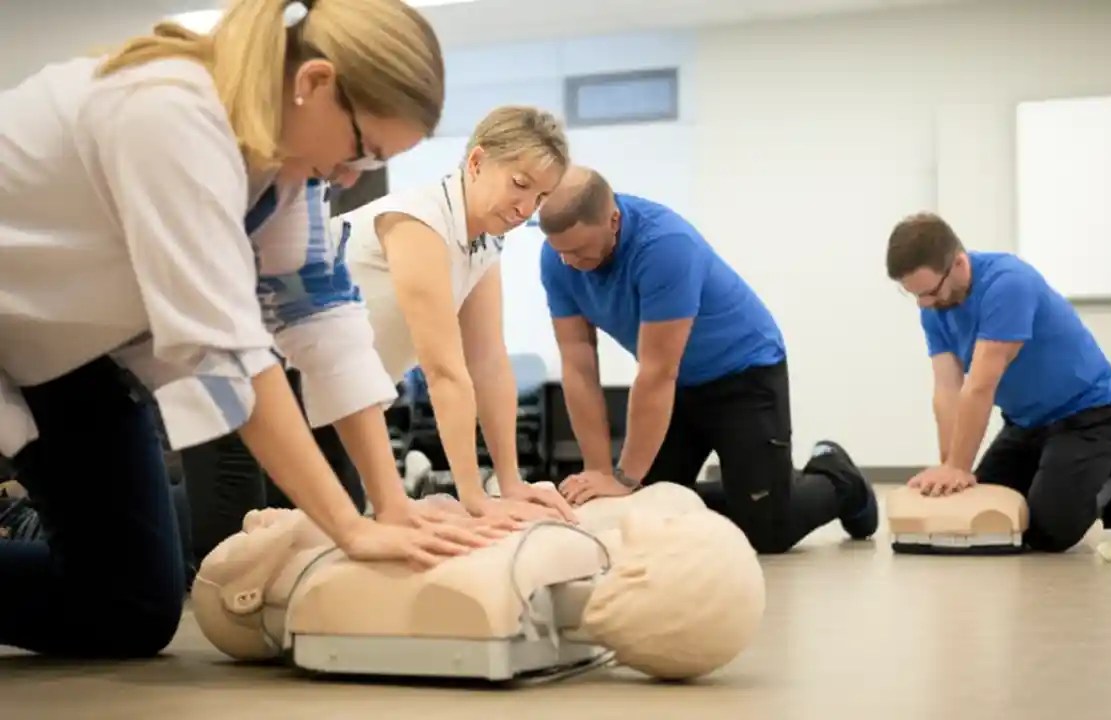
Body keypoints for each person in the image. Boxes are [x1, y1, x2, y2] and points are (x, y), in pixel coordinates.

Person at [0, 0, 495, 659]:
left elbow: (327, 323)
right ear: (314, 83)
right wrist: (349, 528)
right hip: (25, 320)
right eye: (360, 150)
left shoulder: (284, 173)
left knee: (129, 609)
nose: (350, 177)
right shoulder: (168, 110)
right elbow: (228, 352)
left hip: (64, 349)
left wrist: (391, 505)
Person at [535, 166, 878, 555]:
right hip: (680, 386)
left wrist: (624, 476)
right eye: (561, 251)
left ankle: (838, 476)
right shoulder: (558, 258)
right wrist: (599, 471)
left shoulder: (665, 246)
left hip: (744, 374)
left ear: (613, 220)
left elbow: (657, 371)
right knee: (645, 512)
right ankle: (750, 492)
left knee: (767, 530)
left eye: (580, 250)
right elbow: (579, 365)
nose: (570, 262)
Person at [341, 105, 577, 524]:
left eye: (540, 197)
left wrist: (510, 484)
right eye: (519, 185)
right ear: (476, 161)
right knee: (243, 550)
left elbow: (487, 362)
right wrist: (473, 498)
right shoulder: (419, 223)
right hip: (268, 386)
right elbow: (444, 370)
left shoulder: (484, 242)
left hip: (344, 407)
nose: (526, 208)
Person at [886, 212, 1111, 552]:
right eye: (913, 295)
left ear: (958, 264)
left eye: (929, 291)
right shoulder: (933, 308)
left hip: (1088, 415)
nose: (924, 303)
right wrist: (949, 469)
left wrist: (960, 466)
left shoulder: (1008, 284)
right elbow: (947, 389)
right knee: (993, 518)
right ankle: (1057, 478)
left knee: (1049, 532)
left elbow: (980, 385)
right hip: (1026, 423)